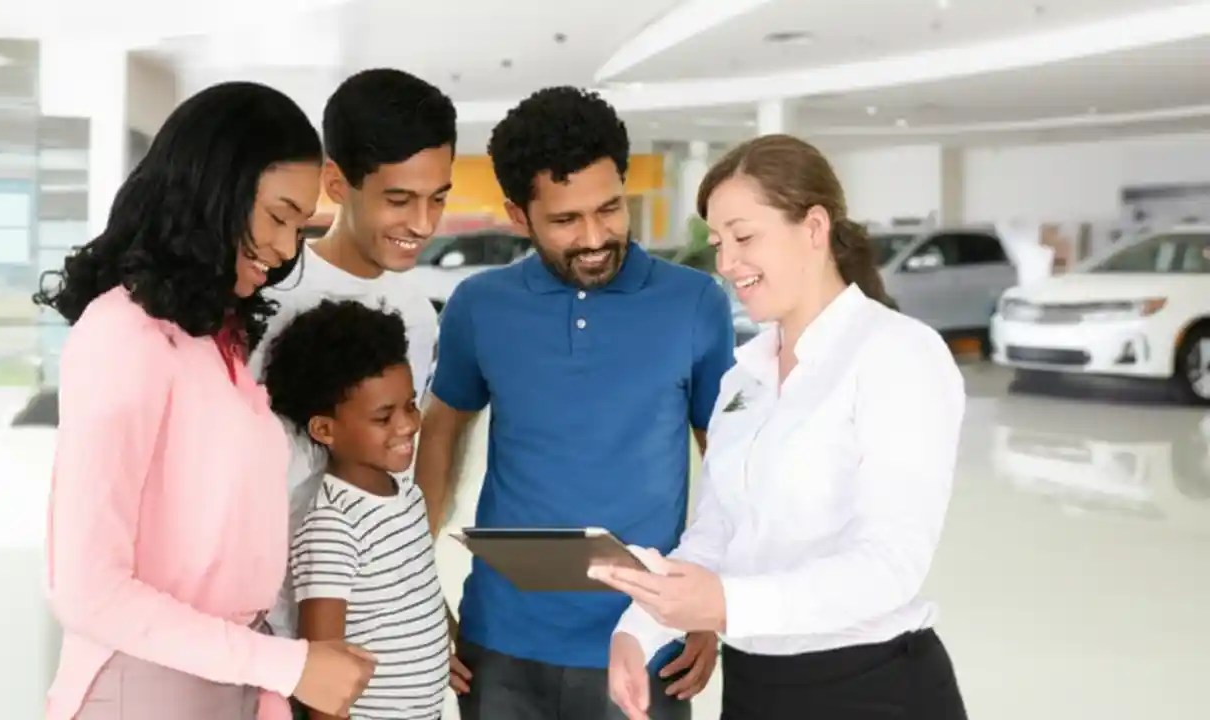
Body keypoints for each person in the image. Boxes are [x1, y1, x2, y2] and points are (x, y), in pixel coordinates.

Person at [593, 134, 969, 720]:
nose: (725, 263)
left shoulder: (897, 353)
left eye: (744, 237)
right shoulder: (745, 377)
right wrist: (635, 631)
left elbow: (890, 564)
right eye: (718, 243)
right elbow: (715, 534)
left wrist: (726, 604)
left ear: (814, 228)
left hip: (872, 689)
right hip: (756, 688)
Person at [36, 81, 376, 720]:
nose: (283, 251)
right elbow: (86, 591)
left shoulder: (214, 339)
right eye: (277, 217)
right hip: (147, 684)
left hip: (224, 673)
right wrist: (286, 665)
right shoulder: (124, 334)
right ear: (214, 190)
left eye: (299, 227)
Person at [414, 86, 736, 720]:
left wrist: (712, 601)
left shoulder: (695, 303)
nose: (595, 237)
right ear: (518, 214)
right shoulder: (479, 307)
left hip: (646, 637)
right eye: (565, 220)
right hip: (500, 640)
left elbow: (726, 460)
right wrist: (422, 594)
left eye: (610, 208)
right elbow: (441, 434)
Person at [246, 69, 456, 640]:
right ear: (337, 183)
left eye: (438, 198)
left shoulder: (415, 311)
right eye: (399, 199)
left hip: (370, 622)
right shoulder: (265, 294)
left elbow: (394, 473)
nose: (423, 223)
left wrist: (417, 594)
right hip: (262, 624)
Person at [262, 300, 450, 720]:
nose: (407, 425)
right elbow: (323, 673)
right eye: (384, 417)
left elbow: (416, 589)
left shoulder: (406, 493)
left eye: (410, 406)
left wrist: (439, 639)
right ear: (324, 429)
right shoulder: (332, 526)